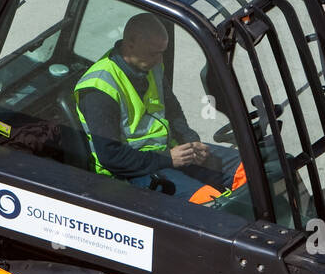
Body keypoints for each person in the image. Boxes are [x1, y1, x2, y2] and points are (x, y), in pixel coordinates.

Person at [73, 13, 239, 200]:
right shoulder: (99, 88)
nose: (160, 60)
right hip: (131, 172)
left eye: (162, 52)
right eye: (154, 53)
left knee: (245, 168)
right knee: (210, 201)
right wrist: (168, 158)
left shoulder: (151, 66)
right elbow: (111, 156)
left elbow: (173, 111)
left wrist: (190, 141)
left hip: (167, 152)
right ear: (130, 44)